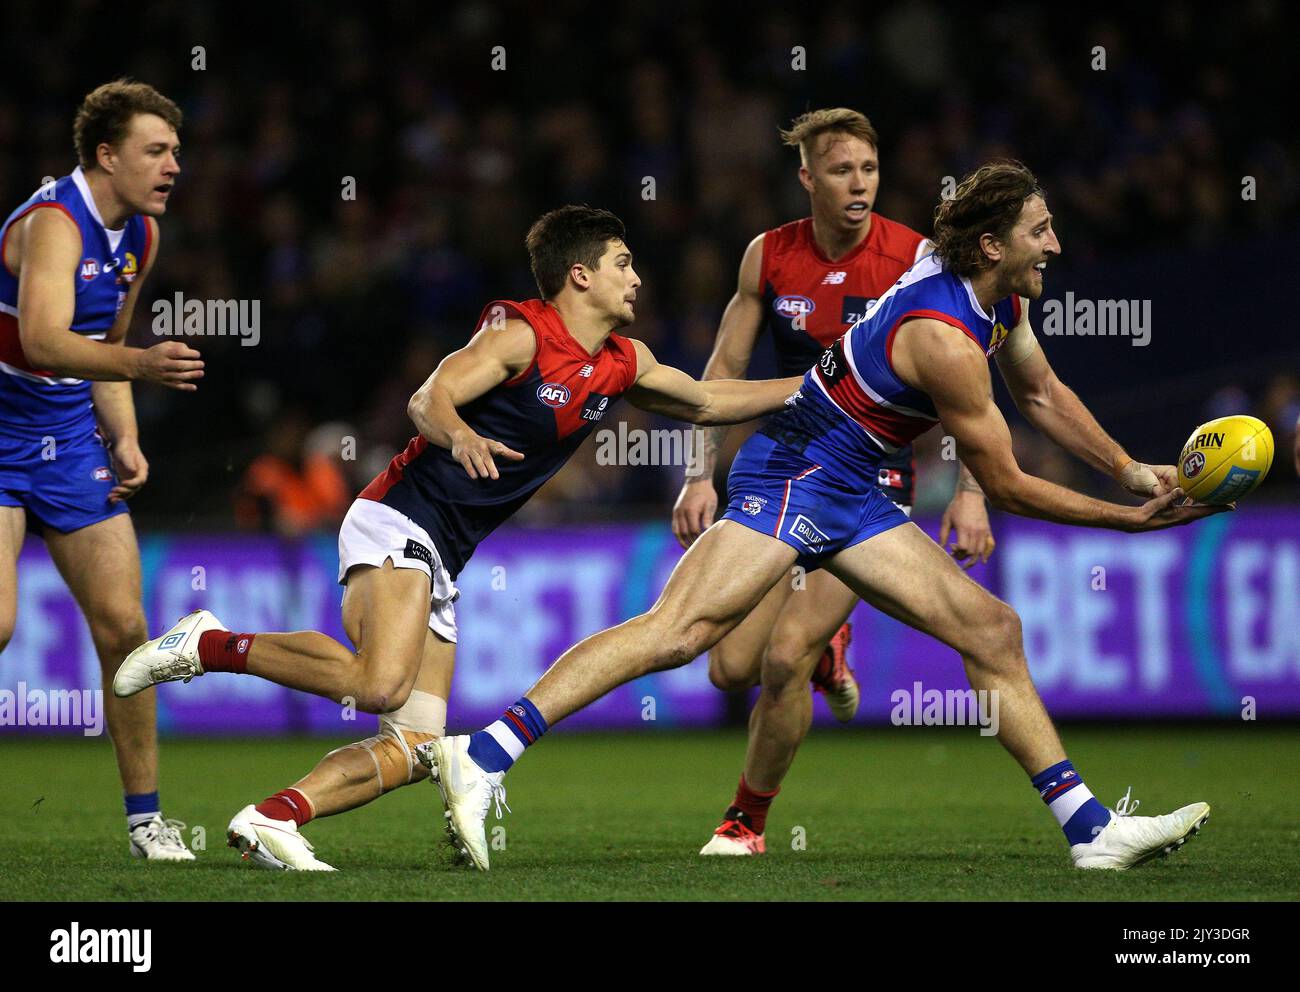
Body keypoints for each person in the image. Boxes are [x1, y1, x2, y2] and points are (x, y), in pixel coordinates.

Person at [419, 161, 1223, 872]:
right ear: (991, 247)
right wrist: (1125, 521)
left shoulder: (996, 302)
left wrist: (1130, 469)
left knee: (992, 630)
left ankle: (1090, 833)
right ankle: (486, 754)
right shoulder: (942, 334)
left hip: (857, 485)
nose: (1054, 246)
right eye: (1039, 231)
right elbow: (1006, 484)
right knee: (684, 635)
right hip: (801, 469)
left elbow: (1043, 394)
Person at [112, 205, 803, 870]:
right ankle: (204, 643)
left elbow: (710, 401)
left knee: (416, 748)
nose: (638, 279)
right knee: (379, 683)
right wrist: (461, 433)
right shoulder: (520, 334)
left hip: (442, 552)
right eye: (623, 263)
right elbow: (426, 400)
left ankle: (274, 817)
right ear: (581, 276)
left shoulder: (624, 360)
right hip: (398, 518)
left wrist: (817, 384)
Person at [669, 107, 996, 855]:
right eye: (843, 171)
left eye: (871, 170)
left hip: (866, 483)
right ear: (808, 177)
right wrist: (697, 477)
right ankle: (827, 652)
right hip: (781, 475)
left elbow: (969, 386)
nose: (860, 185)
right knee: (728, 668)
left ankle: (744, 823)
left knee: (780, 660)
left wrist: (973, 492)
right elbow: (721, 372)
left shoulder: (919, 261)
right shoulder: (767, 256)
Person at [0, 79, 204, 860]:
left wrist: (123, 437)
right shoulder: (55, 223)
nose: (173, 165)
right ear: (106, 155)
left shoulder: (139, 237)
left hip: (65, 438)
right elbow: (45, 342)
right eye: (156, 151)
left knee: (127, 632)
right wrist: (143, 365)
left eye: (177, 151)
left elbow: (101, 354)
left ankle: (146, 822)